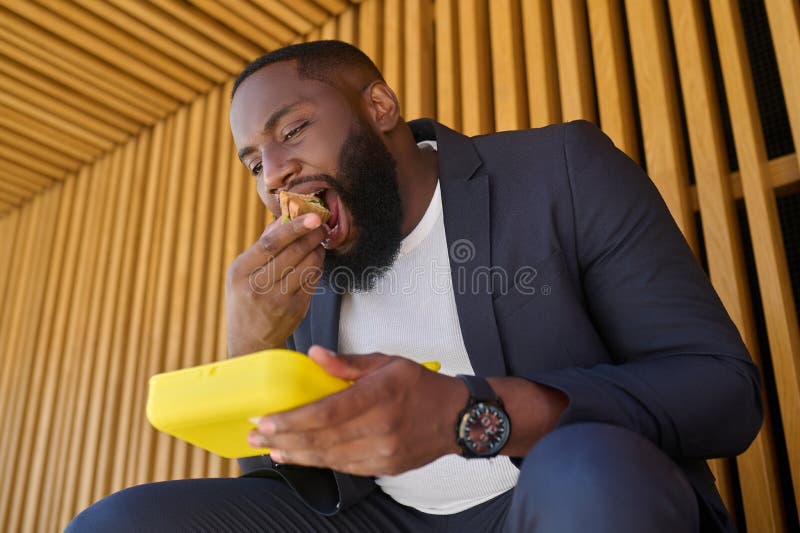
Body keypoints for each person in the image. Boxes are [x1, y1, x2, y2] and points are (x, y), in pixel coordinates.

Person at [68, 40, 762, 532]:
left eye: (294, 130)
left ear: (378, 106)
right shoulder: (296, 280)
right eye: (253, 161)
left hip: (557, 502)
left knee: (588, 467)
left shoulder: (561, 171)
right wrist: (251, 349)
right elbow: (284, 492)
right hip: (384, 517)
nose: (273, 172)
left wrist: (471, 414)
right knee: (116, 521)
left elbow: (723, 392)